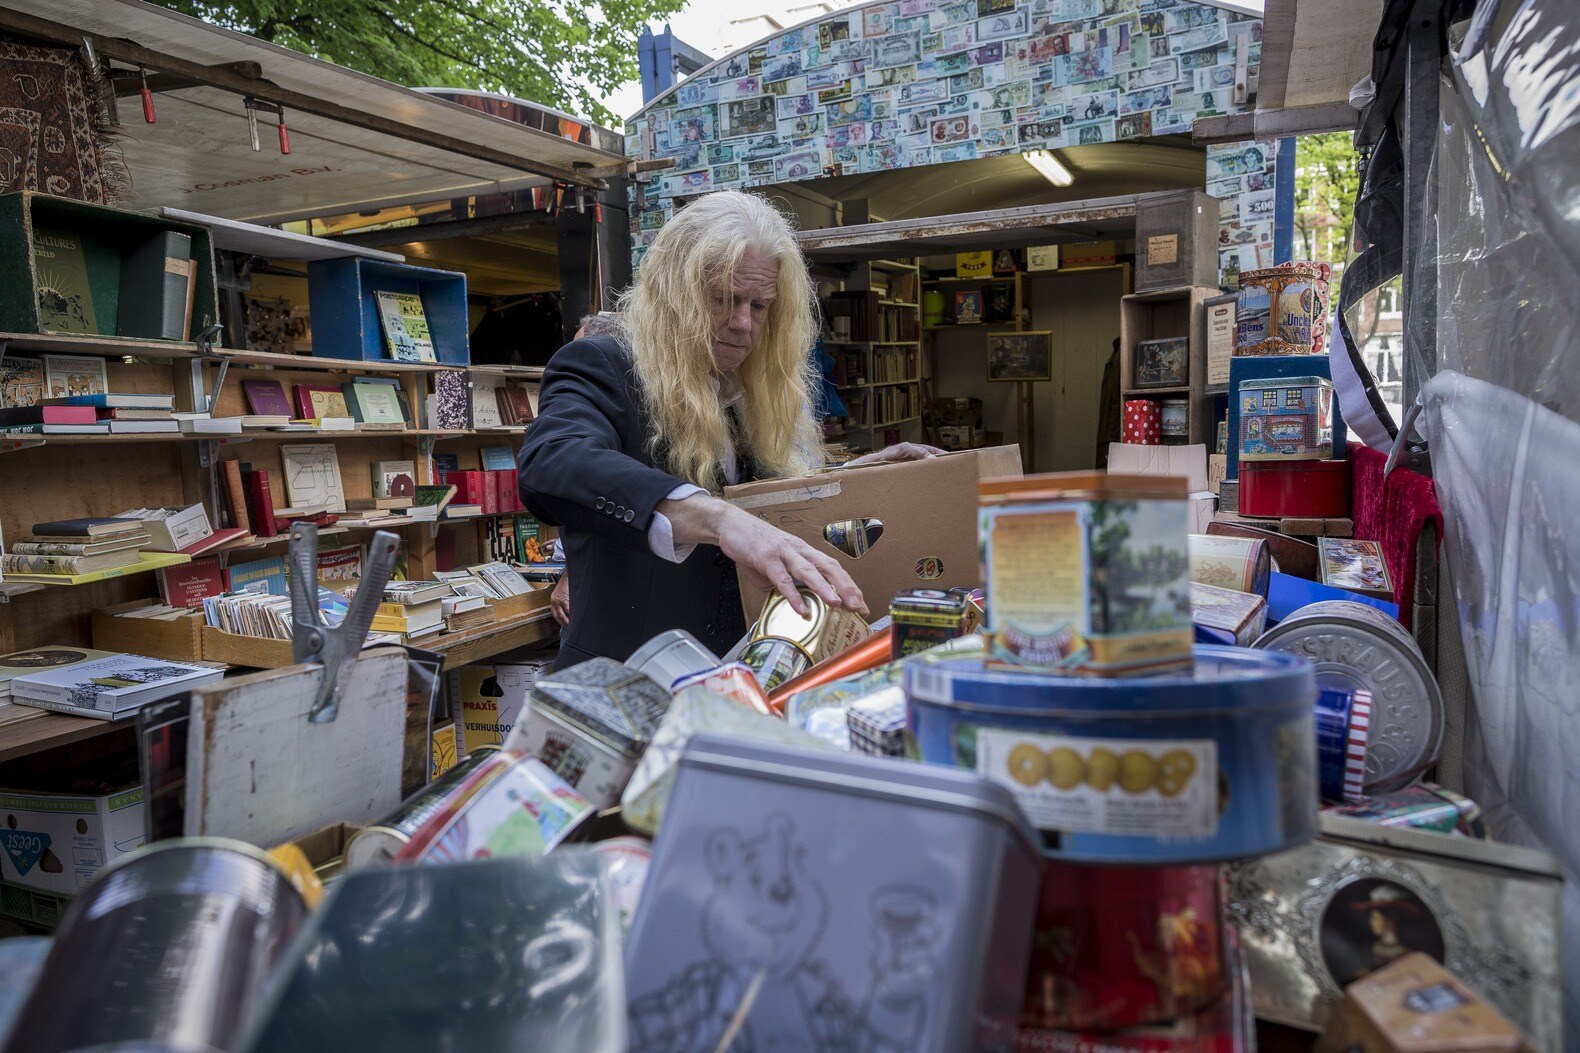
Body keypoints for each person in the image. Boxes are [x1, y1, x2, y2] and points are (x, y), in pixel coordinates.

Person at [518, 191, 940, 668]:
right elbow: (551, 462)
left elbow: (763, 505)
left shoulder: (749, 392)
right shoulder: (602, 363)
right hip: (627, 685)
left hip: (732, 677)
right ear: (674, 293)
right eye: (723, 299)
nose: (743, 324)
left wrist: (868, 478)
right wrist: (720, 520)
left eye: (760, 306)